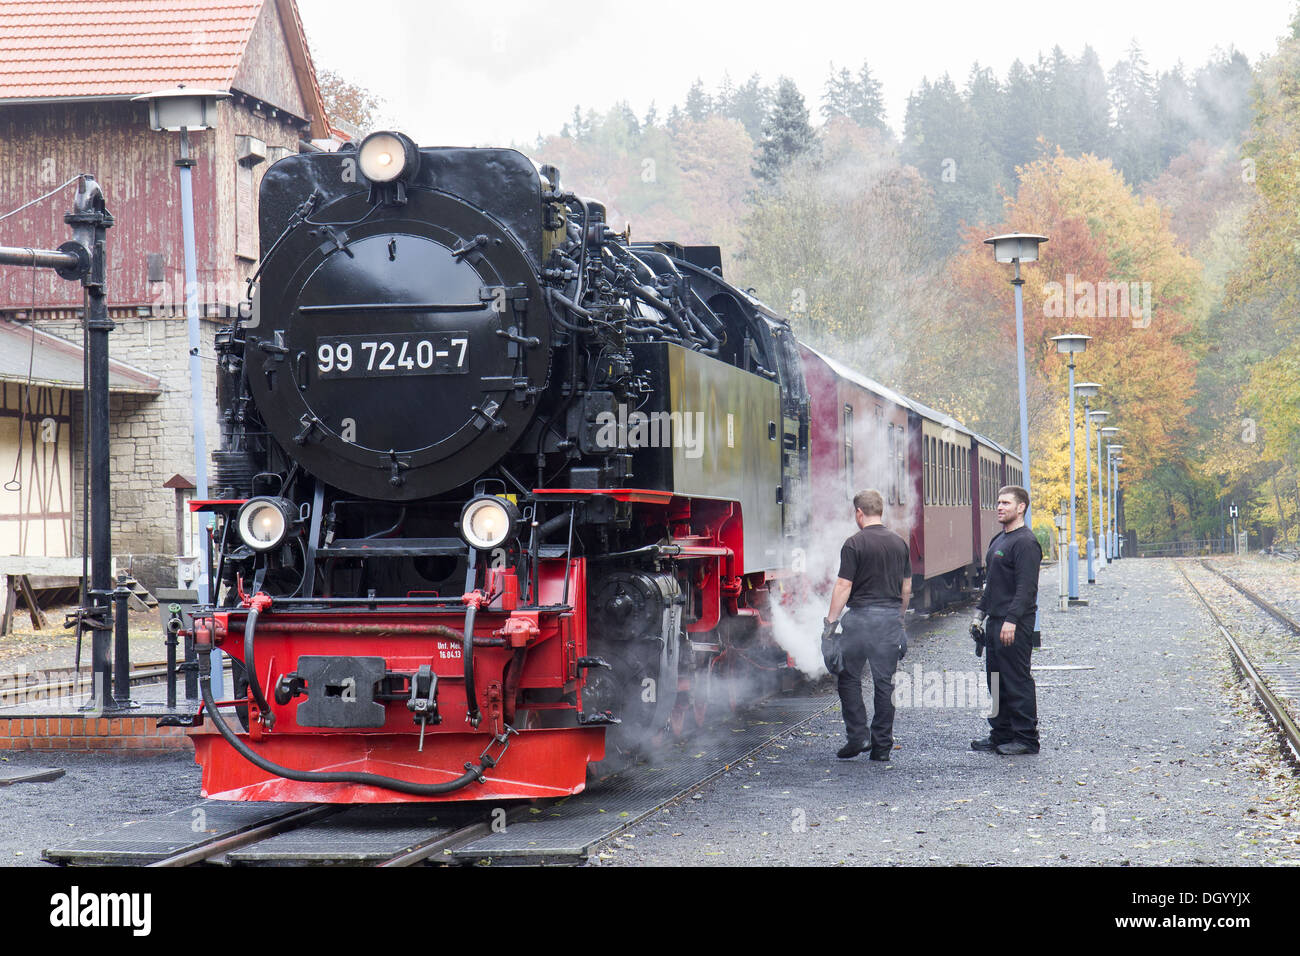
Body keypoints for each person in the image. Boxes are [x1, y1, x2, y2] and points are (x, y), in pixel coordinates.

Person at [823, 489, 912, 760]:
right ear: (880, 511)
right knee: (884, 684)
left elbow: (843, 586)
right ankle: (882, 747)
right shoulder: (900, 543)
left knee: (848, 678)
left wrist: (830, 623)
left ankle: (858, 736)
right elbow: (906, 587)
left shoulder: (854, 543)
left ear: (859, 513)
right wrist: (900, 617)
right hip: (888, 620)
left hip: (860, 621)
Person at [969, 484, 1043, 756]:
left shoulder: (1026, 542)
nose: (999, 507)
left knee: (1017, 679)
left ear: (1021, 507)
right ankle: (1000, 734)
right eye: (998, 502)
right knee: (995, 680)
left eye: (1006, 503)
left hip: (1015, 624)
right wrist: (979, 614)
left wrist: (1011, 620)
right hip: (995, 622)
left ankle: (1026, 738)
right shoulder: (997, 541)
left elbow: (1026, 589)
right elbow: (991, 585)